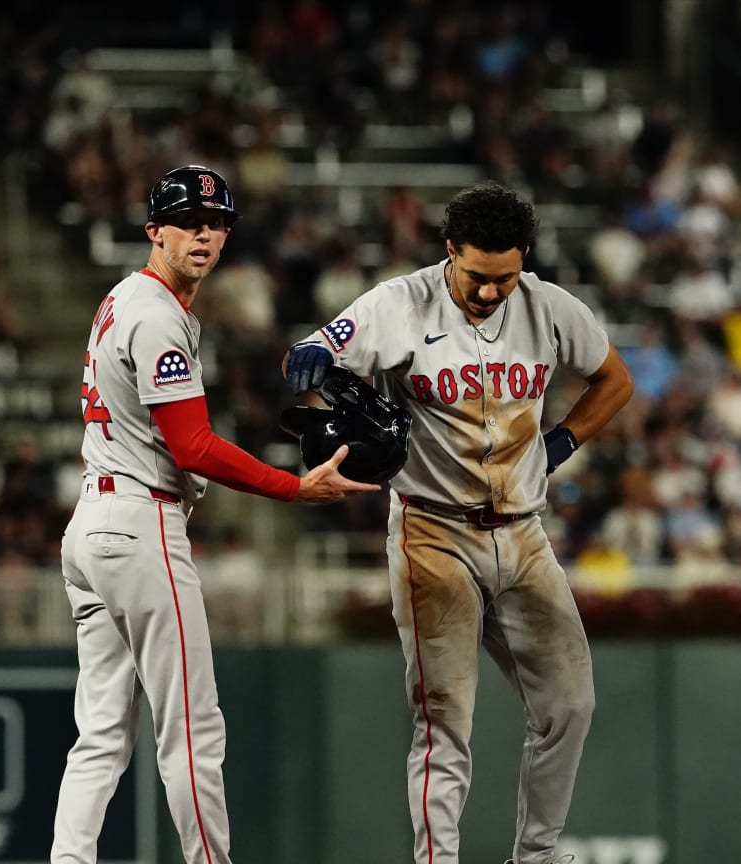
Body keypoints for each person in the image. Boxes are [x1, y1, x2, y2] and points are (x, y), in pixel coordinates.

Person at [283, 181, 634, 864]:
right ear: (450, 251)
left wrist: (560, 443)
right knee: (445, 722)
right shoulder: (400, 302)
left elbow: (613, 380)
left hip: (523, 532)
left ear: (523, 259)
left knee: (570, 706)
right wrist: (313, 357)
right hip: (432, 531)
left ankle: (535, 856)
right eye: (476, 275)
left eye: (504, 276)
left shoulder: (547, 307)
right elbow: (315, 351)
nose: (489, 291)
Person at [54, 165, 377, 864]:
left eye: (217, 223)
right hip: (140, 525)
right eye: (188, 222)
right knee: (192, 729)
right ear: (154, 231)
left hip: (93, 526)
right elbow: (193, 446)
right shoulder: (157, 316)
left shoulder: (126, 299)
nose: (204, 234)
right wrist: (295, 489)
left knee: (104, 730)